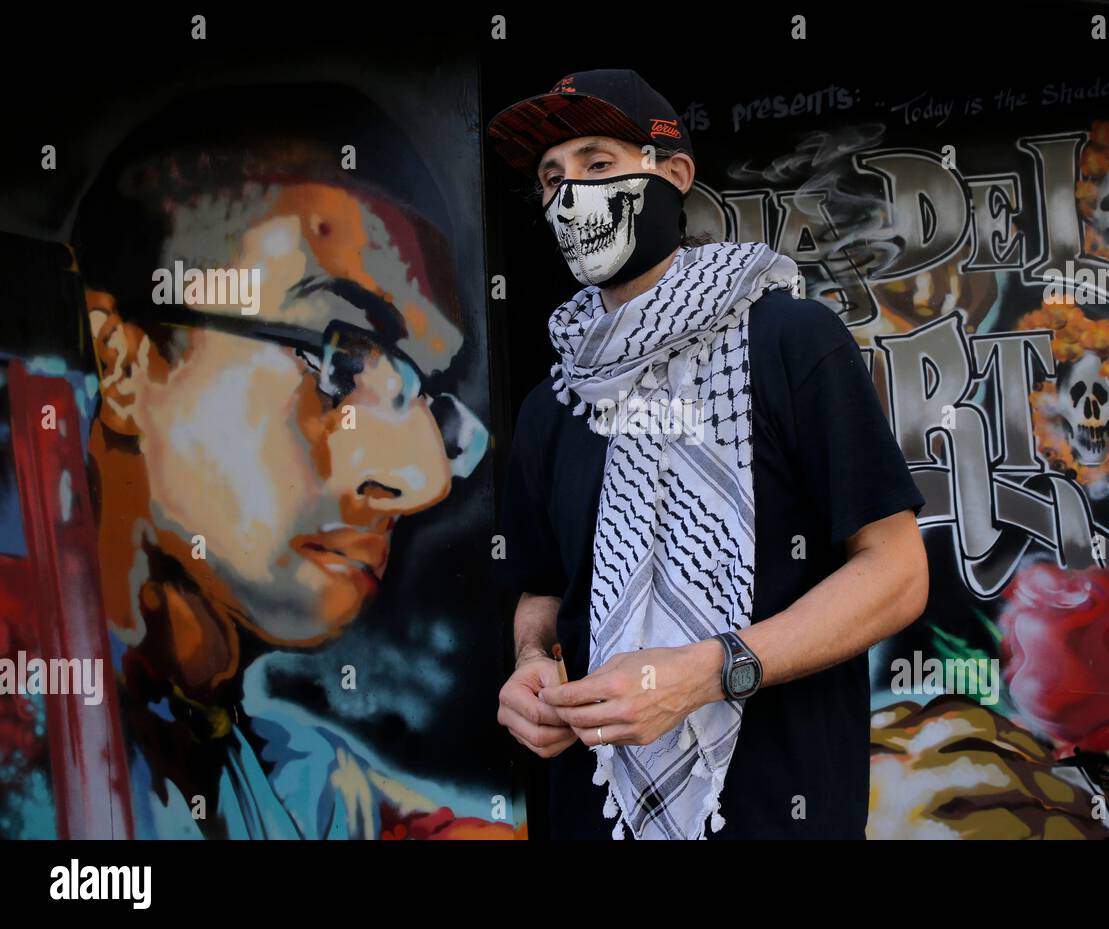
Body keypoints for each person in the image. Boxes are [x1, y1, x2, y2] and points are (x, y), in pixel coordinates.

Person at [489, 69, 930, 839]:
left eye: (597, 165)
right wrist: (532, 662)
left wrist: (703, 673)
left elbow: (896, 574)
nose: (569, 197)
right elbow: (542, 591)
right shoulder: (551, 402)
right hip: (595, 809)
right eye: (551, 178)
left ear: (674, 175)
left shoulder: (791, 342)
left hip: (775, 809)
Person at [64, 83, 506, 839]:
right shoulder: (29, 727)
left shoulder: (299, 784)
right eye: (345, 358)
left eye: (427, 397)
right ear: (125, 361)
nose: (423, 480)